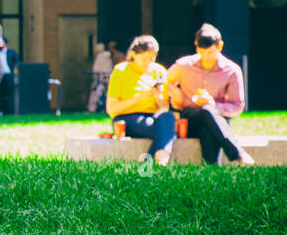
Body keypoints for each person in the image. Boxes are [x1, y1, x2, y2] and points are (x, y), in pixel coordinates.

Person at [165, 23, 255, 165]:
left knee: (208, 125)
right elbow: (161, 82)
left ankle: (212, 170)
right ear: (196, 46)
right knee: (206, 113)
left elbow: (237, 106)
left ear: (220, 46)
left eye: (211, 53)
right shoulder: (184, 65)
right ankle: (238, 154)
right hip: (189, 118)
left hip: (217, 119)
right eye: (203, 52)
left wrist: (213, 104)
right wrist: (173, 90)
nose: (207, 57)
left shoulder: (231, 70)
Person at [105, 35, 175, 166]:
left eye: (152, 58)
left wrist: (158, 97)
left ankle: (149, 161)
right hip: (126, 118)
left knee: (168, 118)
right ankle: (160, 160)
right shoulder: (121, 71)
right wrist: (141, 97)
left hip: (153, 116)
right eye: (144, 59)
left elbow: (164, 108)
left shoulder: (159, 71)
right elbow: (112, 109)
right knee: (167, 130)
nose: (148, 62)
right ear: (134, 54)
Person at [0, 36, 19, 114]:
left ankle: (10, 111)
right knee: (0, 94)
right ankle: (1, 110)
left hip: (9, 75)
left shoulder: (11, 52)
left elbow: (17, 63)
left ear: (5, 43)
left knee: (10, 94)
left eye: (0, 42)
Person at [87, 43, 113, 112]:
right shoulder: (106, 57)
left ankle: (93, 109)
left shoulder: (101, 57)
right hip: (104, 78)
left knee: (96, 93)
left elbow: (103, 69)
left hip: (101, 79)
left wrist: (102, 78)